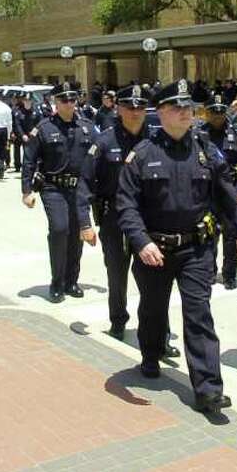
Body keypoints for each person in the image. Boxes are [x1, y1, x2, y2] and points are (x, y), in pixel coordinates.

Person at [116, 79, 237, 414]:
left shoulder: (206, 150)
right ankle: (149, 355)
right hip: (155, 251)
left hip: (196, 249)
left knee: (199, 315)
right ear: (160, 113)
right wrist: (141, 241)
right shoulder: (143, 154)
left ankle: (208, 390)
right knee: (153, 309)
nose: (185, 112)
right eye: (177, 107)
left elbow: (226, 193)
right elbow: (126, 204)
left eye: (188, 107)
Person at [78, 84, 150, 338]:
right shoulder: (105, 141)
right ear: (118, 108)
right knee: (117, 276)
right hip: (115, 219)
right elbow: (85, 182)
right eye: (129, 106)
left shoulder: (154, 140)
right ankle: (118, 320)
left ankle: (158, 333)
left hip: (148, 221)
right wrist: (84, 223)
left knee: (154, 281)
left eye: (140, 106)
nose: (135, 111)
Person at [22, 82, 94, 303]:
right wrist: (26, 190)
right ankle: (57, 281)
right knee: (60, 229)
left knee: (76, 233)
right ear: (55, 102)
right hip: (53, 187)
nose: (70, 104)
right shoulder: (44, 128)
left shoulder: (86, 126)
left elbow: (96, 157)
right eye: (64, 100)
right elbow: (29, 160)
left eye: (73, 99)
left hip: (79, 189)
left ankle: (72, 280)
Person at [199, 95, 237, 289]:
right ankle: (210, 272)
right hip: (207, 191)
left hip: (230, 191)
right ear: (207, 113)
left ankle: (229, 275)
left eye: (221, 112)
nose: (218, 116)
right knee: (209, 234)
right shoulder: (199, 133)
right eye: (214, 112)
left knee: (231, 235)